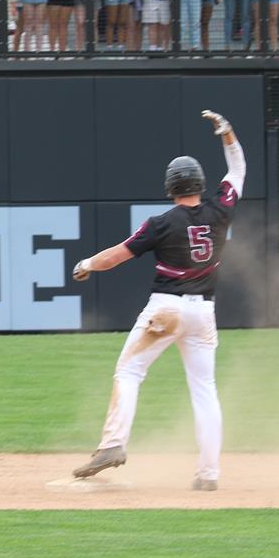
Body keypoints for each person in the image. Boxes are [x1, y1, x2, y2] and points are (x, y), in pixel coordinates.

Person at [70, 110, 245, 490]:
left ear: (170, 187)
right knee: (205, 390)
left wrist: (86, 264)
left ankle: (113, 444)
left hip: (166, 308)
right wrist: (227, 134)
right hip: (205, 312)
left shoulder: (161, 223)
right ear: (199, 183)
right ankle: (209, 475)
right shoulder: (221, 210)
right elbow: (237, 171)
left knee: (130, 372)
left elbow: (116, 255)